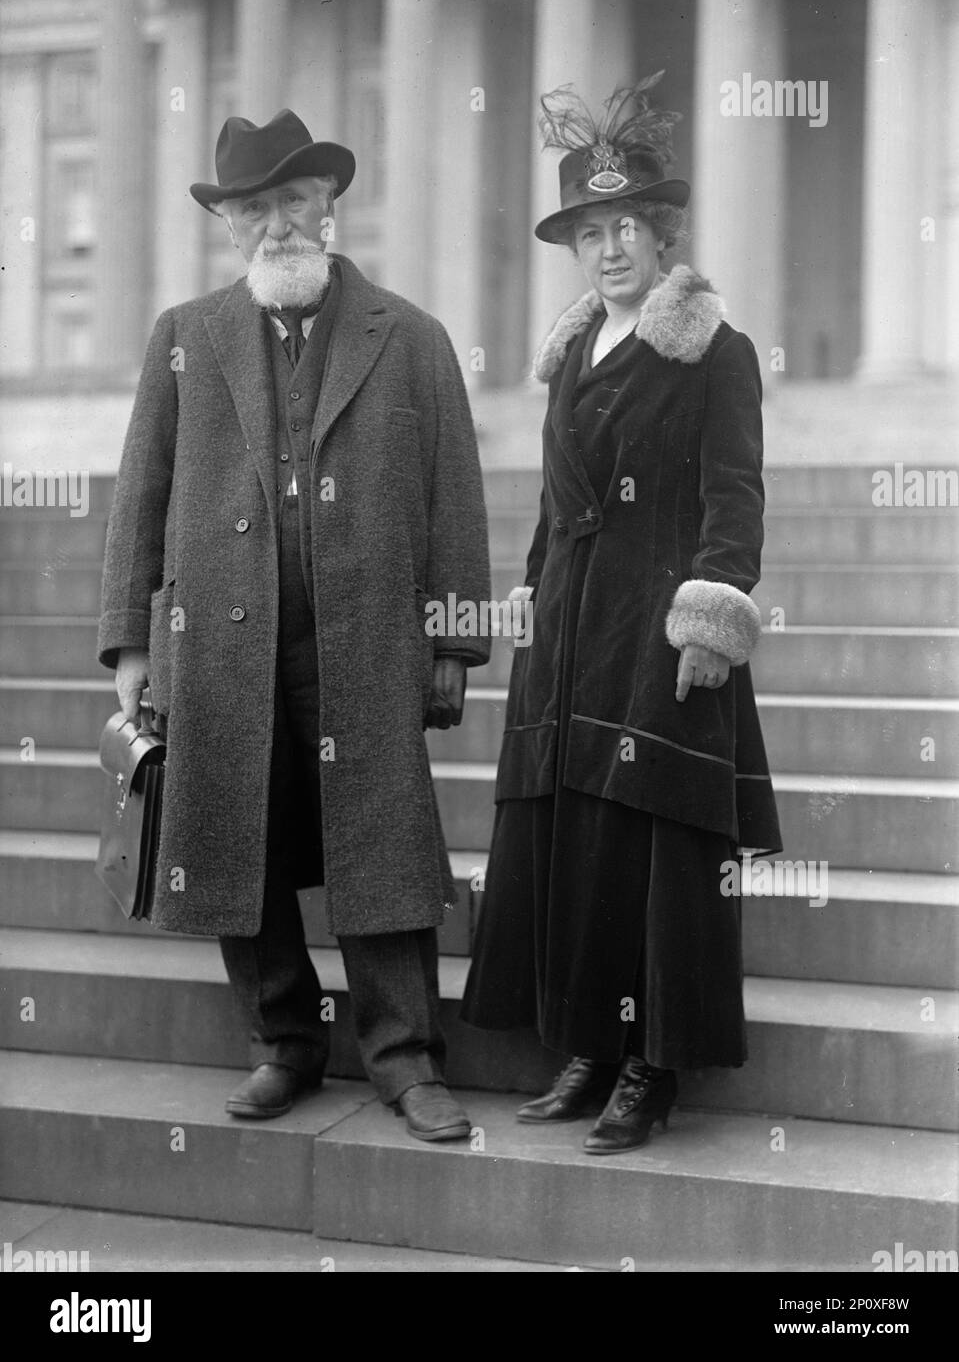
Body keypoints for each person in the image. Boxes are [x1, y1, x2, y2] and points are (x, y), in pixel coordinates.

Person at [98, 109, 491, 1142]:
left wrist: (453, 641)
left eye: (292, 201)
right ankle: (284, 1042)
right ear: (227, 225)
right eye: (251, 209)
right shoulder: (184, 338)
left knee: (382, 848)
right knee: (237, 841)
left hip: (363, 643)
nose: (274, 225)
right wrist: (131, 647)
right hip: (218, 644)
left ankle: (405, 1058)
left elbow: (454, 495)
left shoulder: (410, 336)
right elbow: (142, 496)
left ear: (329, 205)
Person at [461, 76, 782, 1154]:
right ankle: (592, 1047)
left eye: (627, 227)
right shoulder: (570, 359)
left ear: (660, 234)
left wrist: (710, 617)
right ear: (573, 248)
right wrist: (530, 588)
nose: (609, 248)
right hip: (569, 631)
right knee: (578, 840)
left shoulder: (713, 350)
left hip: (656, 628)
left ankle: (652, 1066)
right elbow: (558, 502)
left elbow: (734, 494)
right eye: (589, 233)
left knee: (651, 846)